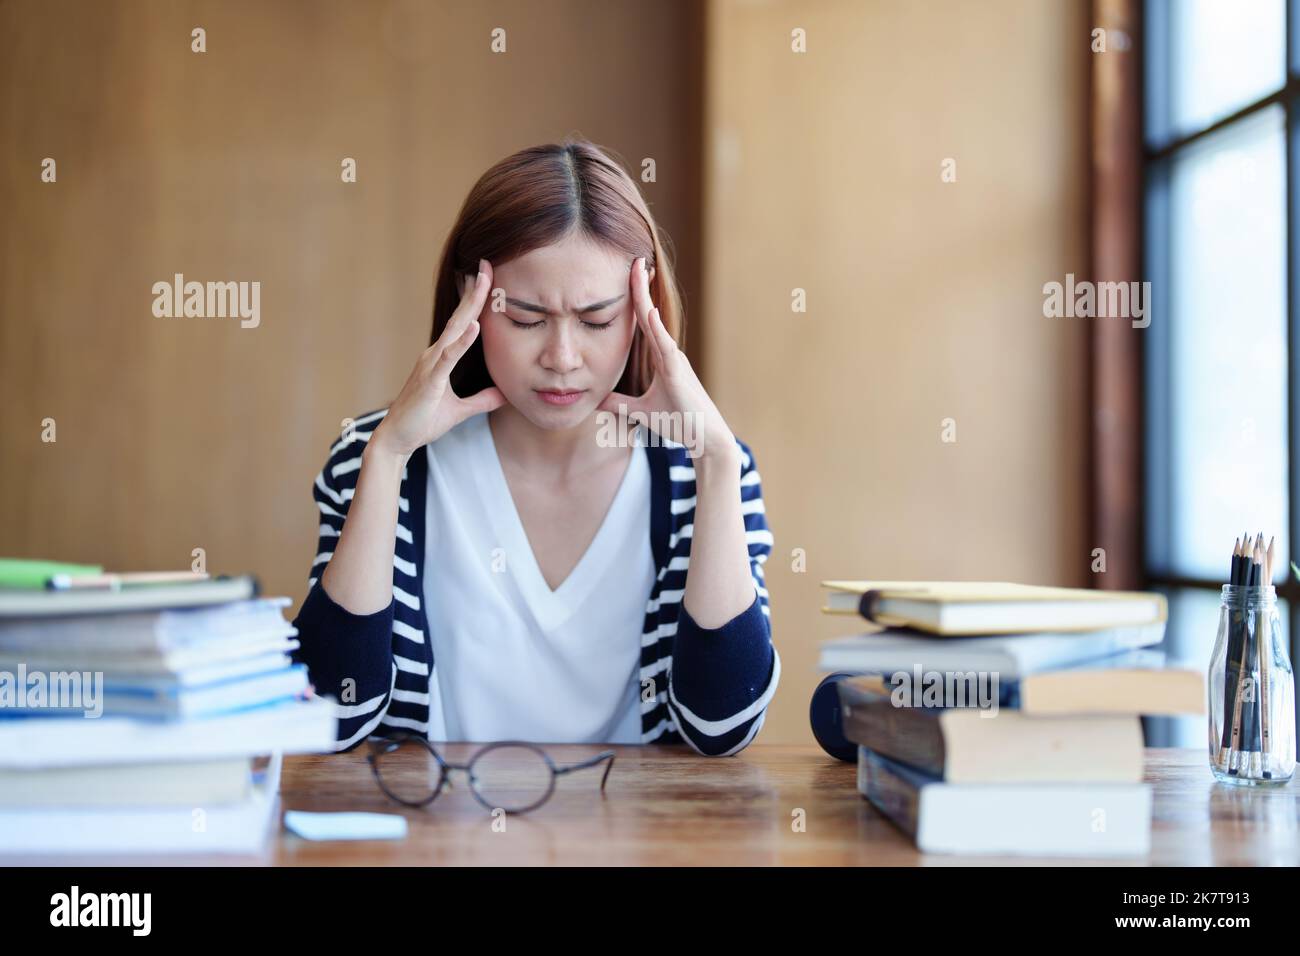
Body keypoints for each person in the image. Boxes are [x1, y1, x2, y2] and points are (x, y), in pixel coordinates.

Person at [292, 139, 779, 756]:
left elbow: (722, 728)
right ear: (469, 302)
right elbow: (331, 715)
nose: (562, 358)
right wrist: (387, 460)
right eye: (525, 318)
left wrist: (716, 465)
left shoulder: (698, 470)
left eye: (598, 320)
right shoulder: (379, 456)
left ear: (642, 314)